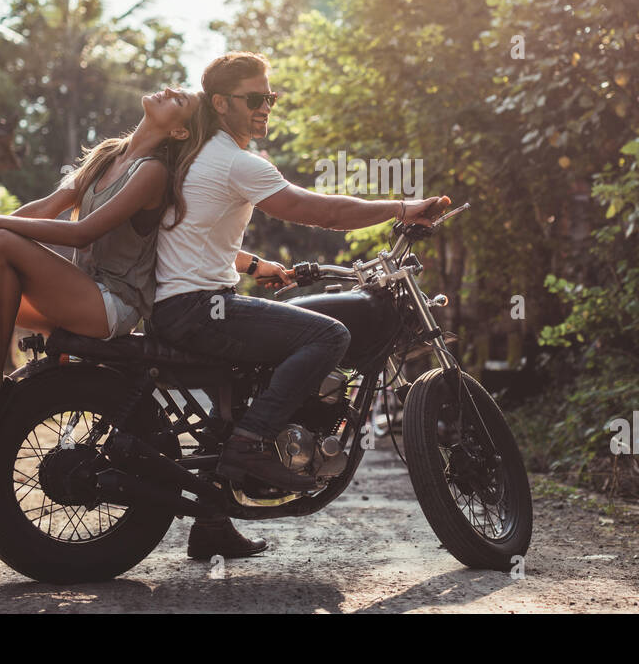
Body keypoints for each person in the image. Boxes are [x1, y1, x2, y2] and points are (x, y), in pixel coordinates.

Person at [152, 51, 449, 501]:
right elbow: (321, 211)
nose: (265, 107)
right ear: (219, 103)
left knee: (246, 386)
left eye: (269, 97)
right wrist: (403, 208)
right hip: (197, 308)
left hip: (180, 305)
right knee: (328, 336)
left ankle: (212, 522)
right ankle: (250, 445)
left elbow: (197, 238)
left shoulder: (197, 155)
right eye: (253, 98)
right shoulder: (235, 161)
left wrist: (255, 266)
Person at [0, 87, 200, 484]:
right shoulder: (109, 153)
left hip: (110, 305)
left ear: (179, 132)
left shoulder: (153, 172)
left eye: (181, 102)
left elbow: (82, 233)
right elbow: (45, 208)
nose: (171, 91)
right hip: (78, 293)